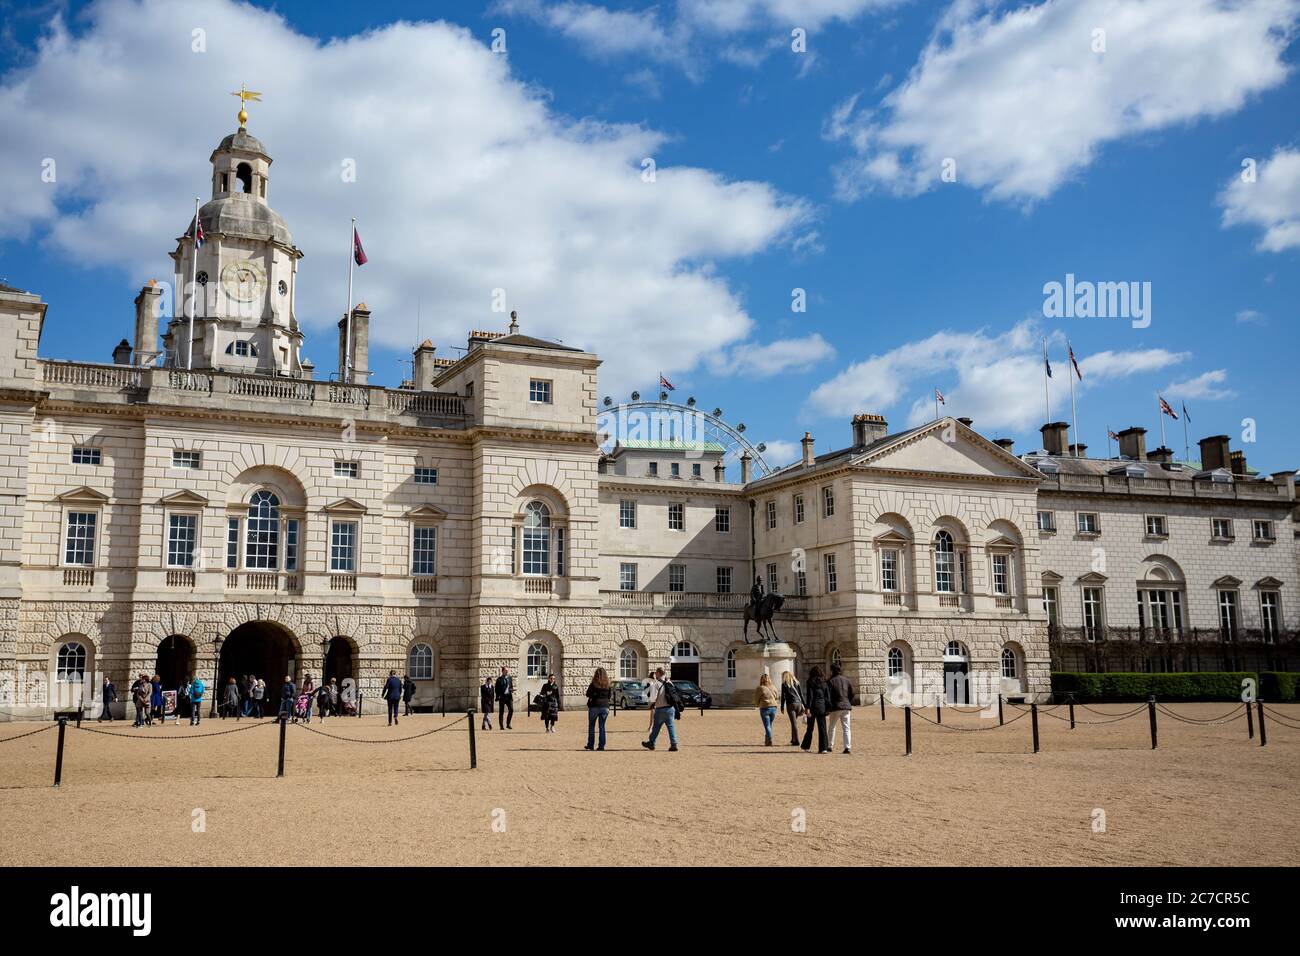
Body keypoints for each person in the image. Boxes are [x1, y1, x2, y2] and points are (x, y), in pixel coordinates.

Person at [641, 667, 680, 752]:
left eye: (656, 673)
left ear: (658, 673)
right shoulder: (670, 682)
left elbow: (653, 698)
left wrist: (650, 705)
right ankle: (674, 744)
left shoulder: (657, 684)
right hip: (670, 709)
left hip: (660, 709)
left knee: (656, 727)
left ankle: (651, 742)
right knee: (671, 727)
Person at [800, 666, 831, 753]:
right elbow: (827, 697)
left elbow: (810, 696)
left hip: (813, 707)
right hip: (822, 707)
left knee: (810, 728)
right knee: (822, 728)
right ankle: (823, 748)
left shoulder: (810, 682)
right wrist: (828, 708)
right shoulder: (824, 683)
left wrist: (807, 708)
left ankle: (806, 746)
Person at [826, 663, 855, 754]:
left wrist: (828, 706)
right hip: (846, 706)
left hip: (835, 706)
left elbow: (828, 695)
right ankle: (847, 747)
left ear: (832, 670)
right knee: (846, 727)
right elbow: (852, 693)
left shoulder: (830, 681)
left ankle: (830, 746)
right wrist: (848, 701)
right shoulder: (846, 680)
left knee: (832, 727)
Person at [584, 667, 612, 751]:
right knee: (602, 727)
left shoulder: (594, 684)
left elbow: (588, 694)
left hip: (595, 705)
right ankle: (601, 746)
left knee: (592, 726)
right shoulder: (608, 684)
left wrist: (594, 695)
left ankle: (591, 744)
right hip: (605, 706)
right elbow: (609, 696)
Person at [753, 673, 780, 746]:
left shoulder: (760, 688)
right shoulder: (773, 687)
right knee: (769, 725)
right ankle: (767, 741)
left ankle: (770, 739)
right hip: (774, 708)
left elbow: (756, 698)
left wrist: (758, 704)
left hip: (765, 708)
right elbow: (777, 696)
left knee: (767, 726)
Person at [779, 671, 805, 746]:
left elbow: (783, 697)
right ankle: (793, 739)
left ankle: (796, 740)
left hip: (790, 704)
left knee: (794, 723)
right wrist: (805, 705)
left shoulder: (784, 684)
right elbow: (801, 695)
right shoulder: (797, 683)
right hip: (799, 704)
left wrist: (782, 707)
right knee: (794, 723)